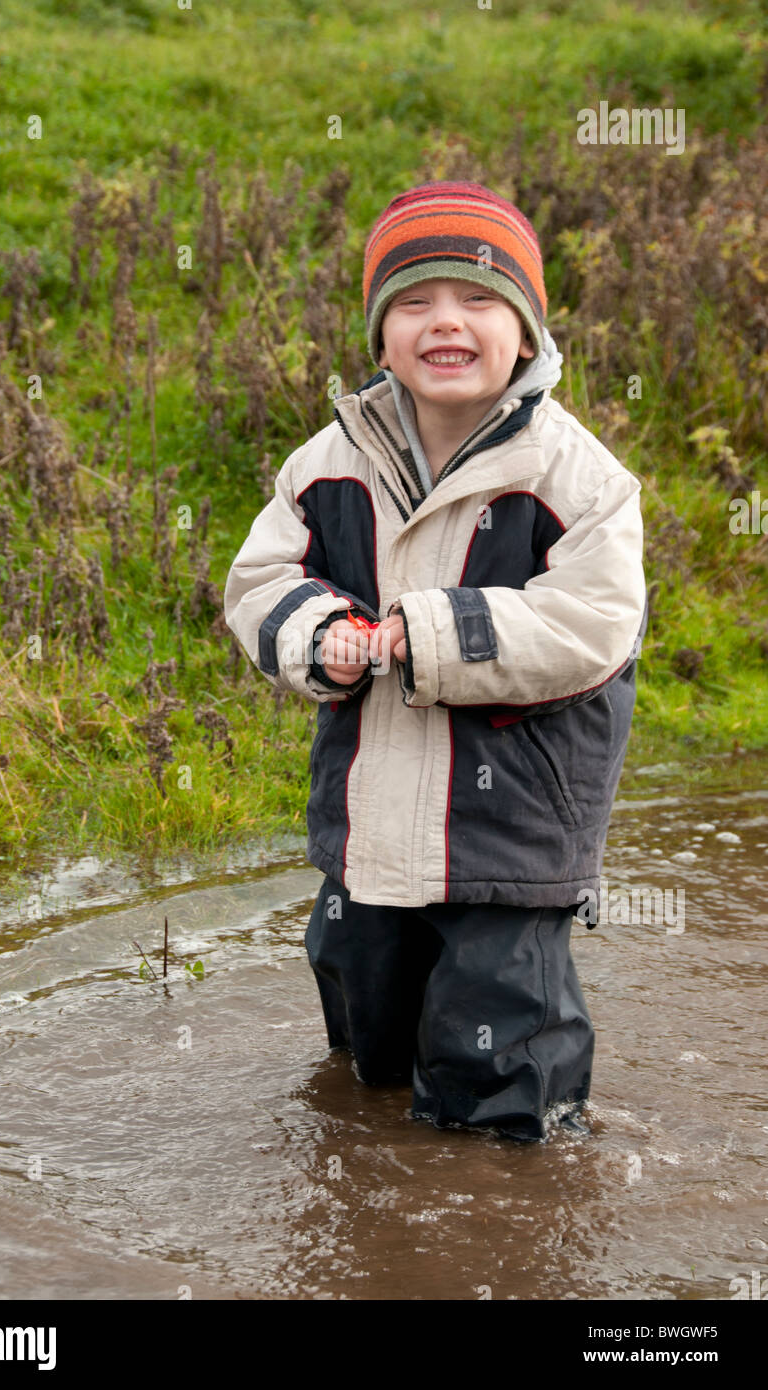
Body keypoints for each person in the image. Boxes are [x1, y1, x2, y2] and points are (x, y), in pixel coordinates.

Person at [224, 181, 647, 1142]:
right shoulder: (328, 460)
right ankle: (379, 1158)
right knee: (359, 1001)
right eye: (413, 303)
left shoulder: (575, 476)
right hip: (370, 813)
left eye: (478, 300)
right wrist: (314, 634)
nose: (444, 323)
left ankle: (509, 1186)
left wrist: (438, 633)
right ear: (380, 337)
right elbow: (256, 582)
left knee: (495, 1035)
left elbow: (592, 624)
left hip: (511, 828)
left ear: (527, 332)